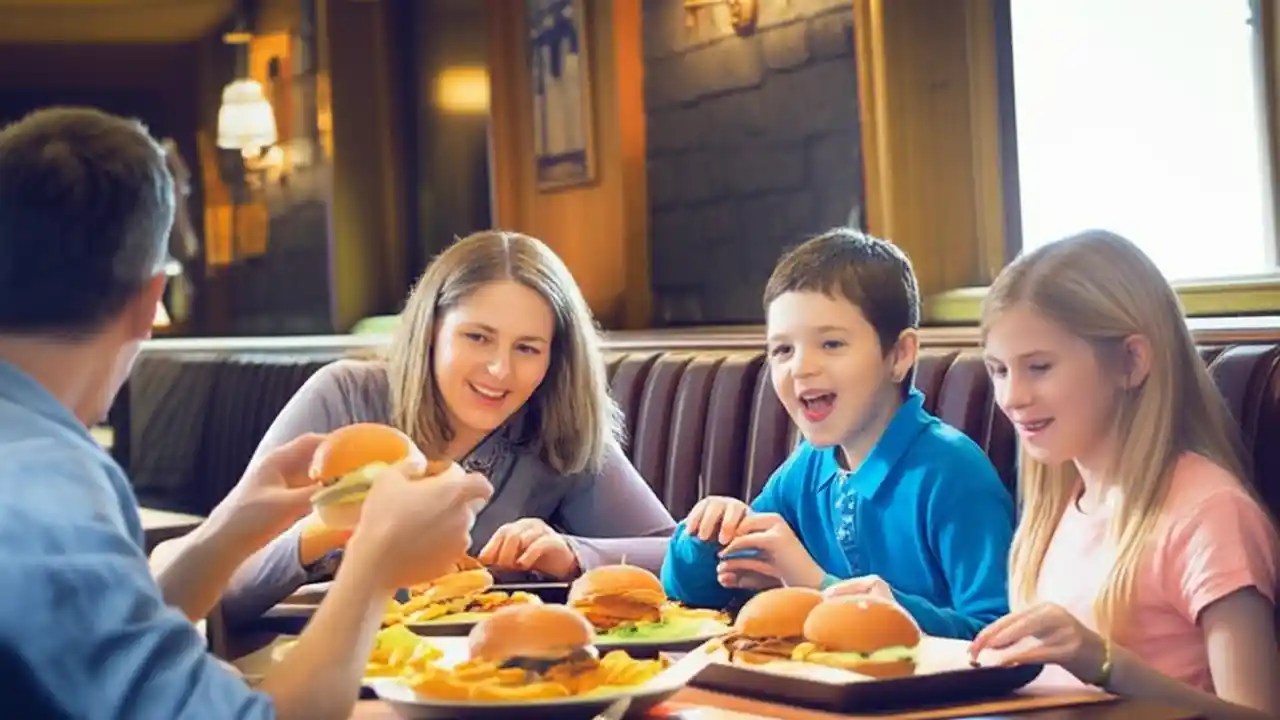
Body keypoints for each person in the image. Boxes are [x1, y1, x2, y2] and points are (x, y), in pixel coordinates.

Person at [0, 106, 491, 719]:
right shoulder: (49, 488)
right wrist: (374, 569)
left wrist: (226, 533)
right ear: (149, 301)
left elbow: (90, 640)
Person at [219, 230, 675, 625]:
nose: (500, 370)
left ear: (554, 359)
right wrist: (326, 528)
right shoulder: (345, 397)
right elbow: (221, 585)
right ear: (433, 329)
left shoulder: (558, 425)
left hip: (489, 684)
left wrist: (575, 553)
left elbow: (672, 554)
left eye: (528, 349)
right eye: (477, 337)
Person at [968, 230, 1279, 718]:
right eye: (1000, 371)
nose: (1011, 397)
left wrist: (1104, 661)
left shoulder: (1211, 514)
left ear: (1132, 361)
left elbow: (1257, 715)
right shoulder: (1058, 503)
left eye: (1040, 367)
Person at [661, 228, 1014, 639]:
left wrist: (818, 586)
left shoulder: (952, 473)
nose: (801, 368)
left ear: (899, 354)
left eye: (830, 344)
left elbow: (997, 634)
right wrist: (705, 537)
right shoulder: (806, 470)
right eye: (782, 350)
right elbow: (689, 591)